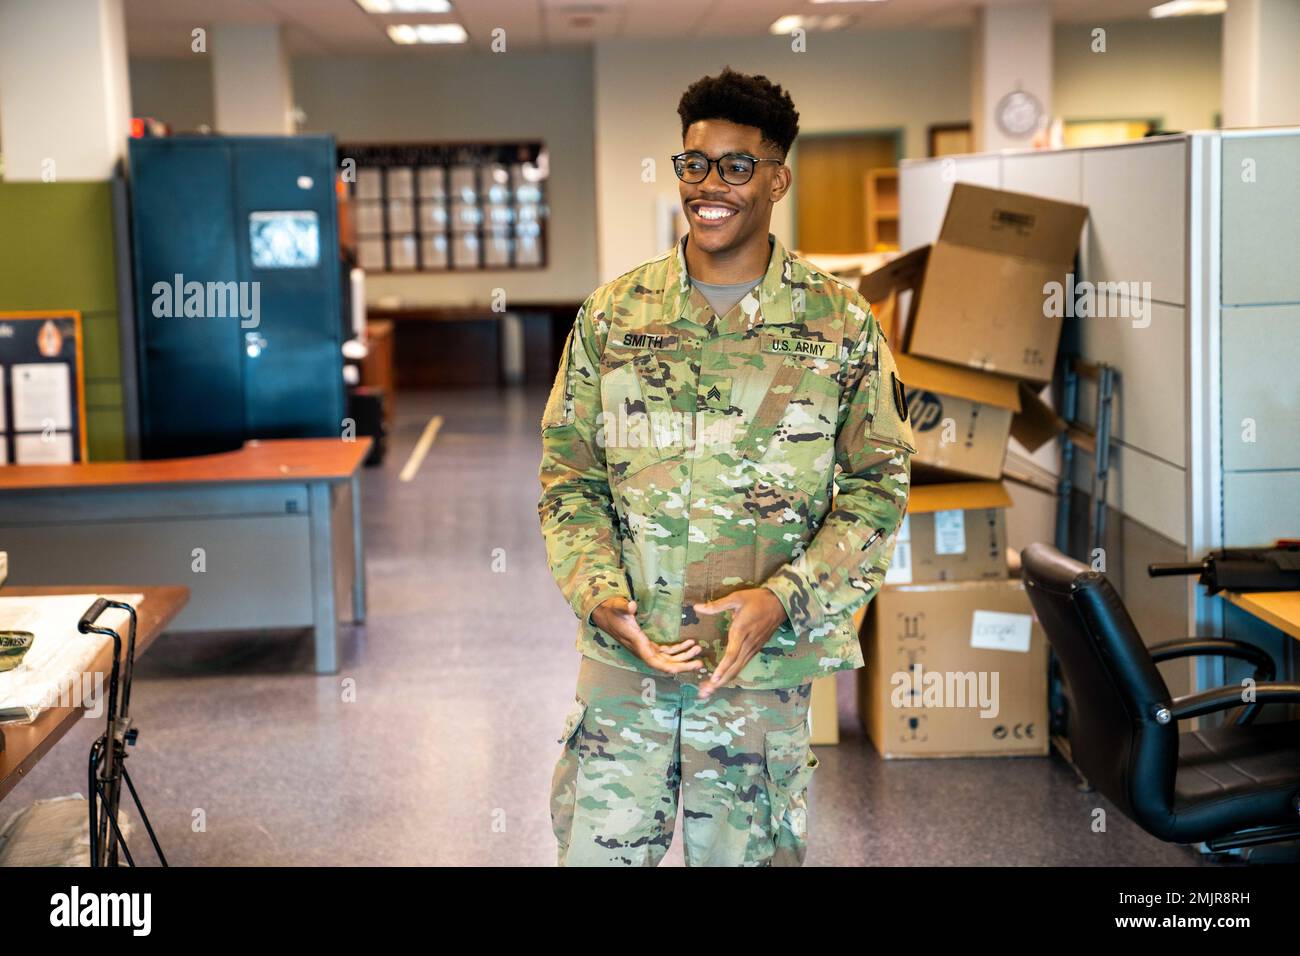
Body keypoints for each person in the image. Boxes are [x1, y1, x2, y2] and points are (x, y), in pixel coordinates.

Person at [538, 66, 915, 867]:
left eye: (737, 166)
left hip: (758, 679)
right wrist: (599, 595)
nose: (710, 185)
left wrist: (787, 599)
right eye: (694, 164)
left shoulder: (839, 326)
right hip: (624, 672)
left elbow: (878, 492)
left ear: (777, 178)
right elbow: (569, 477)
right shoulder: (614, 317)